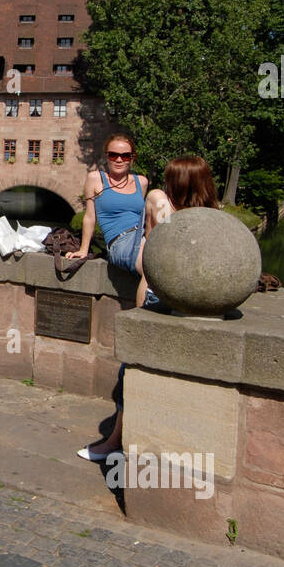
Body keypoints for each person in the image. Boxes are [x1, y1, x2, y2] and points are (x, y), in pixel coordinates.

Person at [78, 156, 219, 461]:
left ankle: (115, 441)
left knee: (133, 369)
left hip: (160, 297)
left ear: (175, 181)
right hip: (196, 304)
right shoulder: (211, 215)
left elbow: (156, 257)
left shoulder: (156, 198)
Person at [66, 131, 154, 304]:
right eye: (113, 155)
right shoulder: (96, 179)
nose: (119, 160)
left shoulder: (141, 182)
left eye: (125, 156)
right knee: (152, 267)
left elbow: (145, 217)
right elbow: (90, 217)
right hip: (119, 241)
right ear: (106, 157)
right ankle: (143, 317)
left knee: (157, 197)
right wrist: (84, 249)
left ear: (132, 158)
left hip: (143, 237)